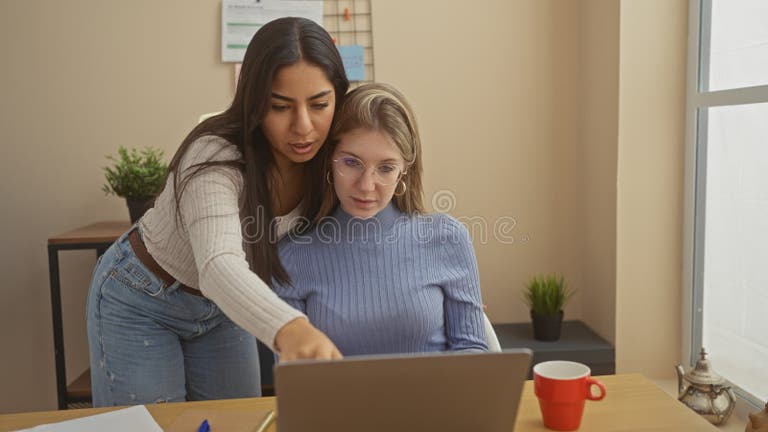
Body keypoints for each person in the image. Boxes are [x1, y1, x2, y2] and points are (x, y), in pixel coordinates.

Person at [86, 17, 349, 407]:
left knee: (236, 421)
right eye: (280, 106)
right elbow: (218, 264)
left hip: (223, 309)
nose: (304, 127)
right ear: (255, 103)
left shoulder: (334, 156)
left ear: (338, 98)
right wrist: (291, 328)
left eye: (319, 104)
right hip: (142, 297)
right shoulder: (215, 154)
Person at [275, 83, 488, 355]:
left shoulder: (448, 238)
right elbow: (296, 378)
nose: (366, 186)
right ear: (329, 160)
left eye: (386, 168)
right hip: (337, 399)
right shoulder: (291, 256)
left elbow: (473, 351)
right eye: (351, 162)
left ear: (404, 172)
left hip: (435, 397)